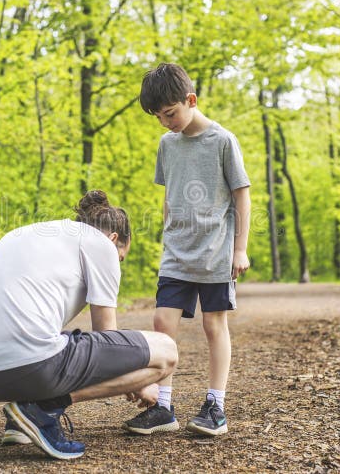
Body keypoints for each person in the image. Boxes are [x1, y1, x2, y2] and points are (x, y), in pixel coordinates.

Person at [0, 190, 178, 460]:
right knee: (166, 352)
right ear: (114, 239)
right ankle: (42, 409)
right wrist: (140, 383)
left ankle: (21, 418)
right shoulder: (101, 244)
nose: (118, 265)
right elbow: (109, 339)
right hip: (25, 366)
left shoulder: (30, 234)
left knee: (56, 341)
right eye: (121, 258)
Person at [123, 63, 251, 437]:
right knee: (163, 324)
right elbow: (170, 192)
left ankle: (216, 405)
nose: (165, 122)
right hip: (177, 251)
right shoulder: (167, 145)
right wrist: (167, 231)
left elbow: (242, 195)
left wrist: (240, 249)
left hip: (215, 252)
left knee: (214, 324)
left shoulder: (223, 141)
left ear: (190, 100)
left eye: (170, 113)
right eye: (159, 117)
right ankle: (163, 407)